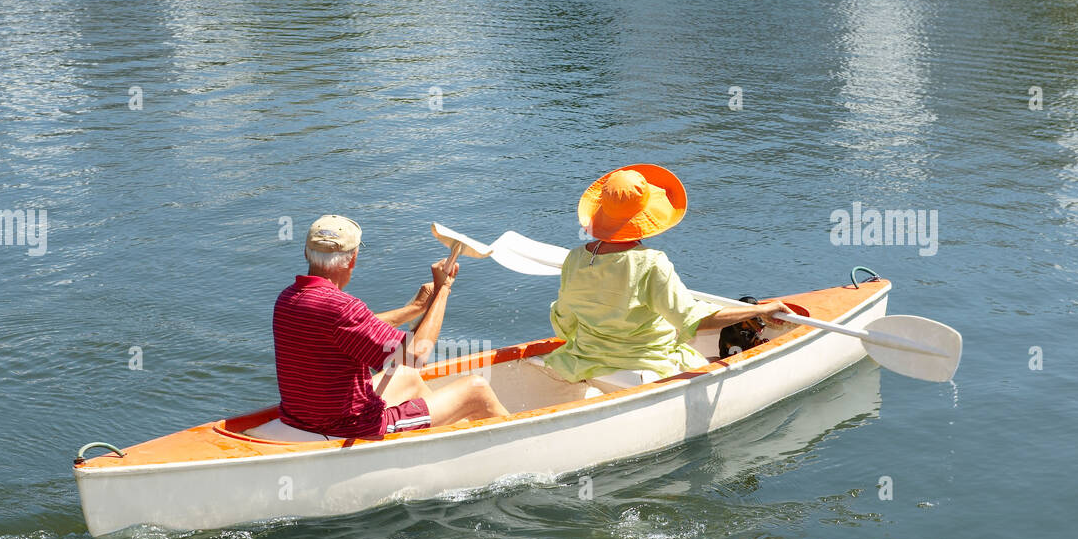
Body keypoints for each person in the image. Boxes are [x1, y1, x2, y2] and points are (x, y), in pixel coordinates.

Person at [543, 165, 793, 382]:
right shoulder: (651, 262)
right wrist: (762, 310)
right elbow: (692, 320)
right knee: (714, 358)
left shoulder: (575, 258)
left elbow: (564, 324)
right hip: (646, 364)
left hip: (583, 361)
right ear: (646, 216)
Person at [273, 215, 509, 439]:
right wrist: (443, 290)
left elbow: (351, 329)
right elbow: (418, 353)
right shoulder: (344, 308)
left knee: (407, 376)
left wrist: (416, 307)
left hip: (303, 419)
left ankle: (438, 438)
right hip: (355, 426)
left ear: (306, 253)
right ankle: (517, 447)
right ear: (353, 258)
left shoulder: (287, 298)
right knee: (476, 389)